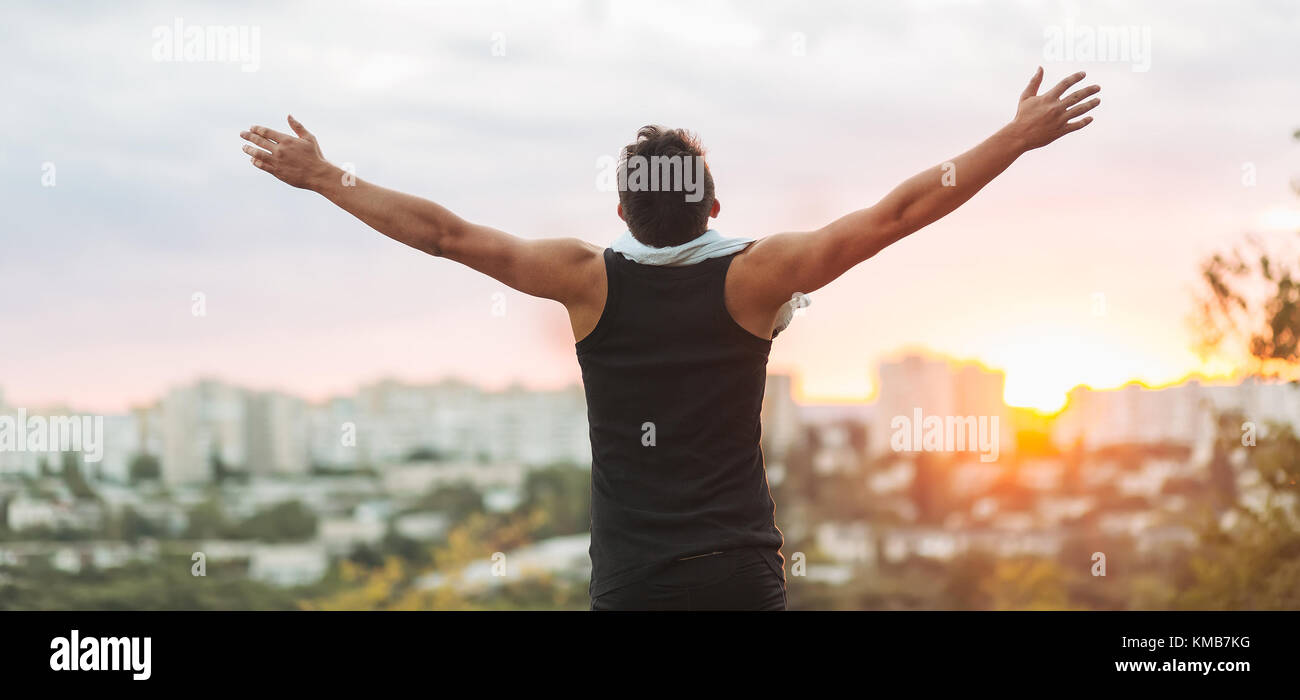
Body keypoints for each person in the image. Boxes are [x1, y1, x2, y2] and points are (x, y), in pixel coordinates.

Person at [239, 66, 1100, 610]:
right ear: (715, 207)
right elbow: (901, 213)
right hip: (737, 571)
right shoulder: (757, 277)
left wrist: (323, 177)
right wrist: (1016, 138)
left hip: (634, 578)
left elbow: (444, 235)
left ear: (621, 211)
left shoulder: (585, 280)